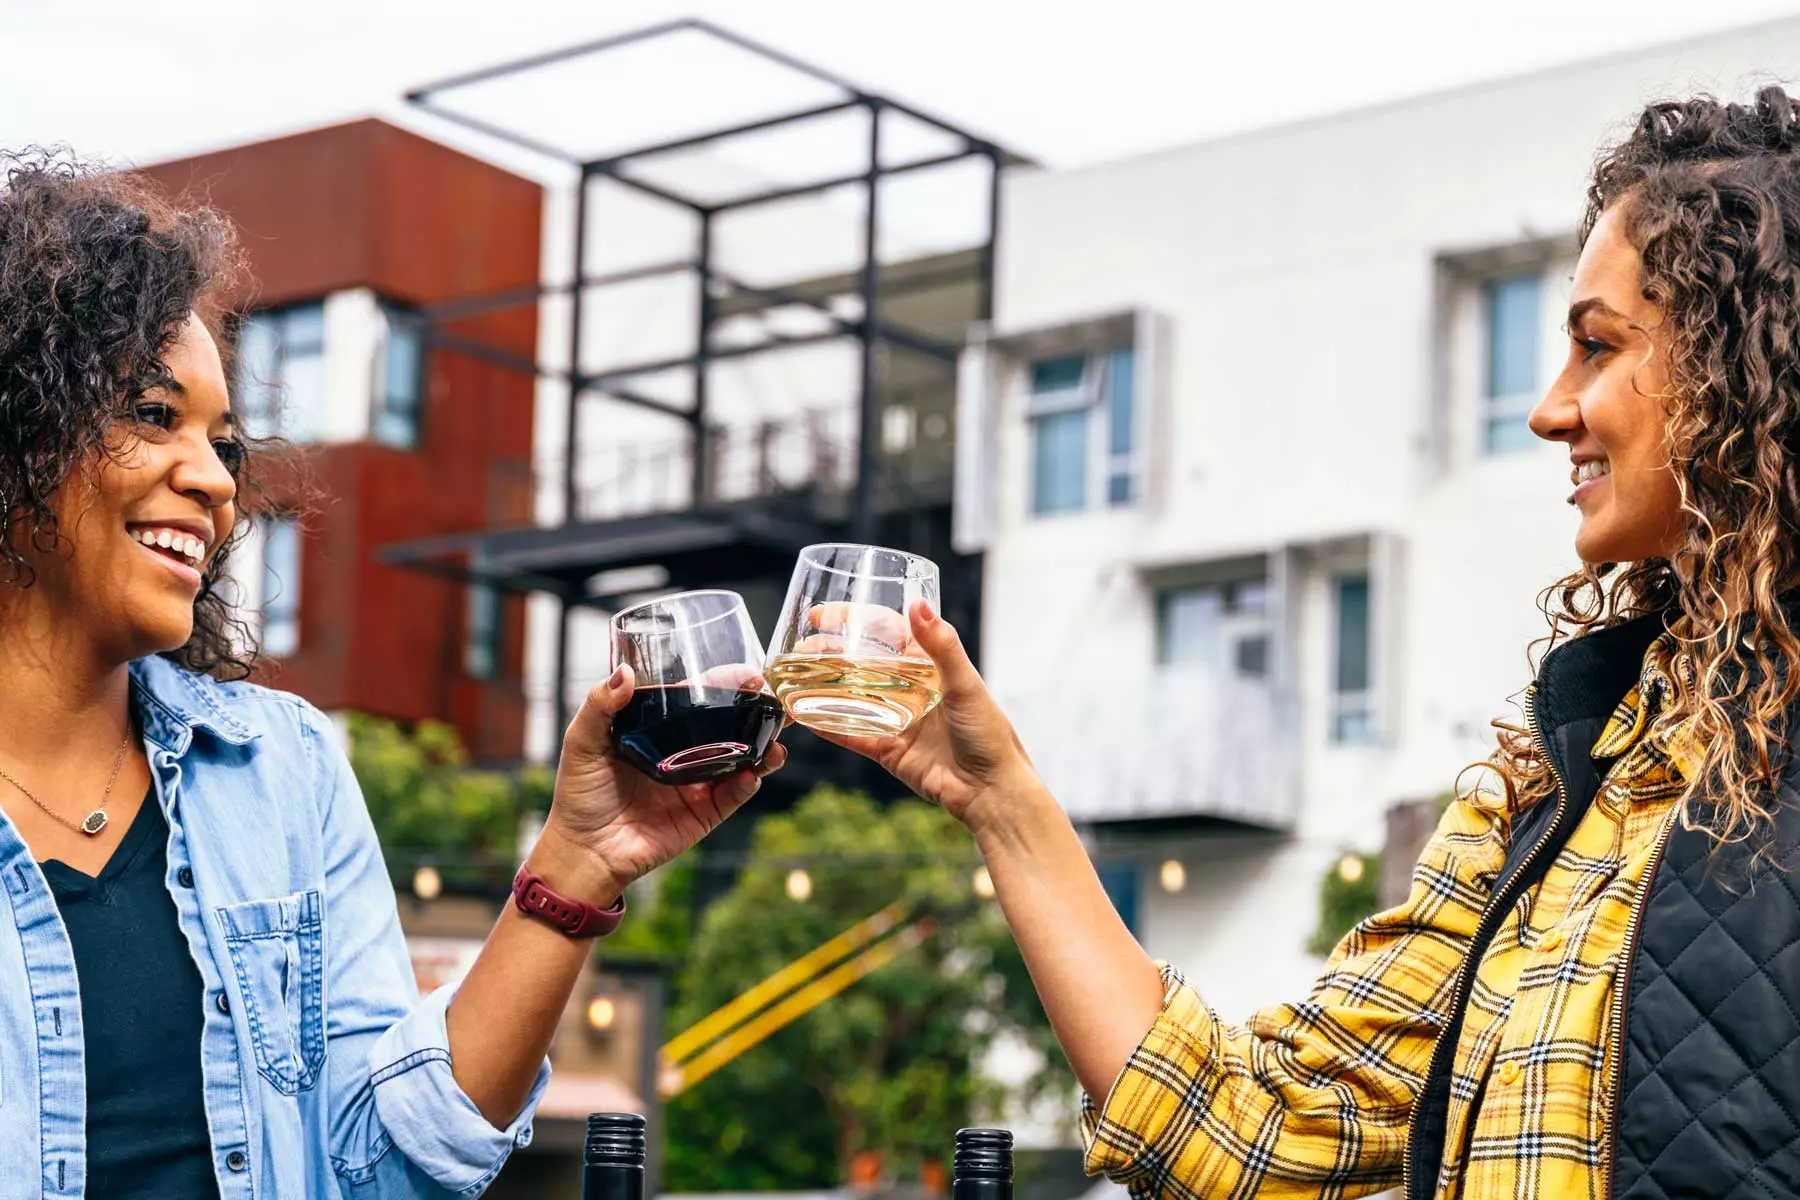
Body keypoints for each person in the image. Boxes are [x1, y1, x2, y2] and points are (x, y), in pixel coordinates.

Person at [821, 88, 1800, 1198]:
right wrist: (1003, 800)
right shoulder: (1559, 782)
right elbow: (1251, 1133)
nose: (1550, 409)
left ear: (1745, 364)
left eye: (1595, 347)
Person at [0, 155, 782, 1198]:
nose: (214, 481)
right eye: (153, 414)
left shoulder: (279, 769)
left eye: (226, 443)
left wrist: (580, 863)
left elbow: (385, 1165)